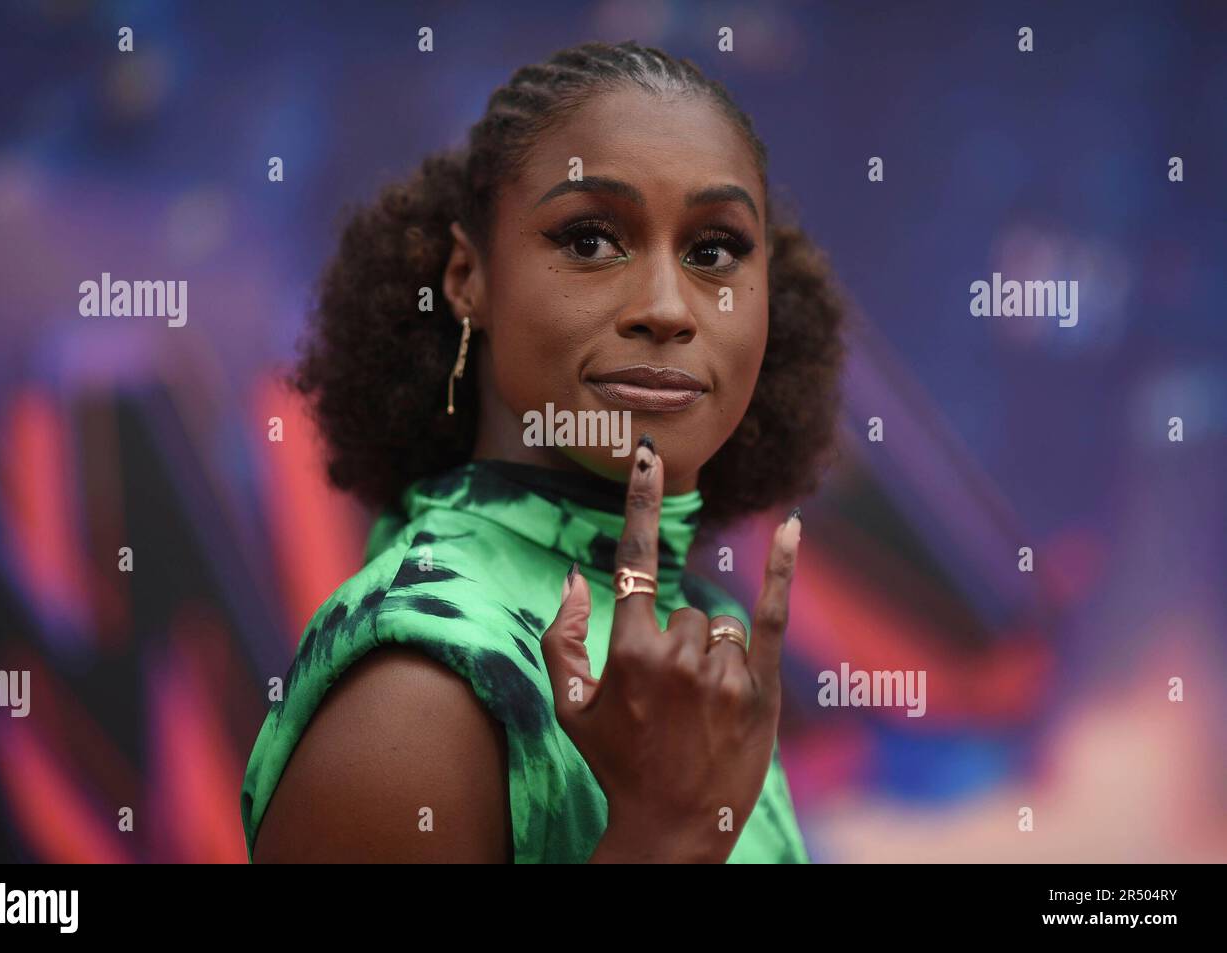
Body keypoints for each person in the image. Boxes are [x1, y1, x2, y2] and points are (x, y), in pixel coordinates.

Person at [241, 39, 846, 863]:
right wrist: (659, 839)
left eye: (713, 252)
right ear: (467, 277)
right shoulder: (419, 695)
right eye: (591, 240)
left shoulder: (705, 636)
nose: (668, 306)